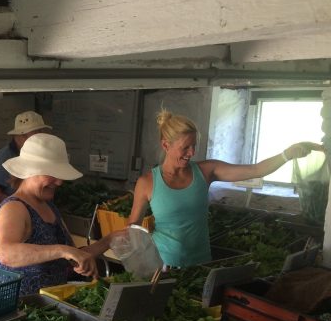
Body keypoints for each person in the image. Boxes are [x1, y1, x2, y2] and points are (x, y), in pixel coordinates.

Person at [127, 109, 320, 268]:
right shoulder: (147, 182)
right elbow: (133, 226)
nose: (192, 153)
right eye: (185, 147)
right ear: (166, 145)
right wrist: (139, 261)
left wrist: (287, 154)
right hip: (164, 265)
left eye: (194, 146)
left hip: (201, 263)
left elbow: (255, 170)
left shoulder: (206, 171)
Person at [0, 133, 113, 296]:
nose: (59, 182)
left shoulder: (47, 205)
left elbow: (70, 255)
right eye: (52, 174)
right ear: (29, 171)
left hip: (49, 306)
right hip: (18, 310)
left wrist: (110, 240)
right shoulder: (14, 208)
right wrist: (63, 250)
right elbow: (7, 254)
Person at [0, 110, 52, 210]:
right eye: (37, 133)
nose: (41, 137)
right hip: (6, 216)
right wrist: (27, 205)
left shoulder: (31, 155)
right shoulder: (4, 157)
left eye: (41, 132)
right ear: (21, 136)